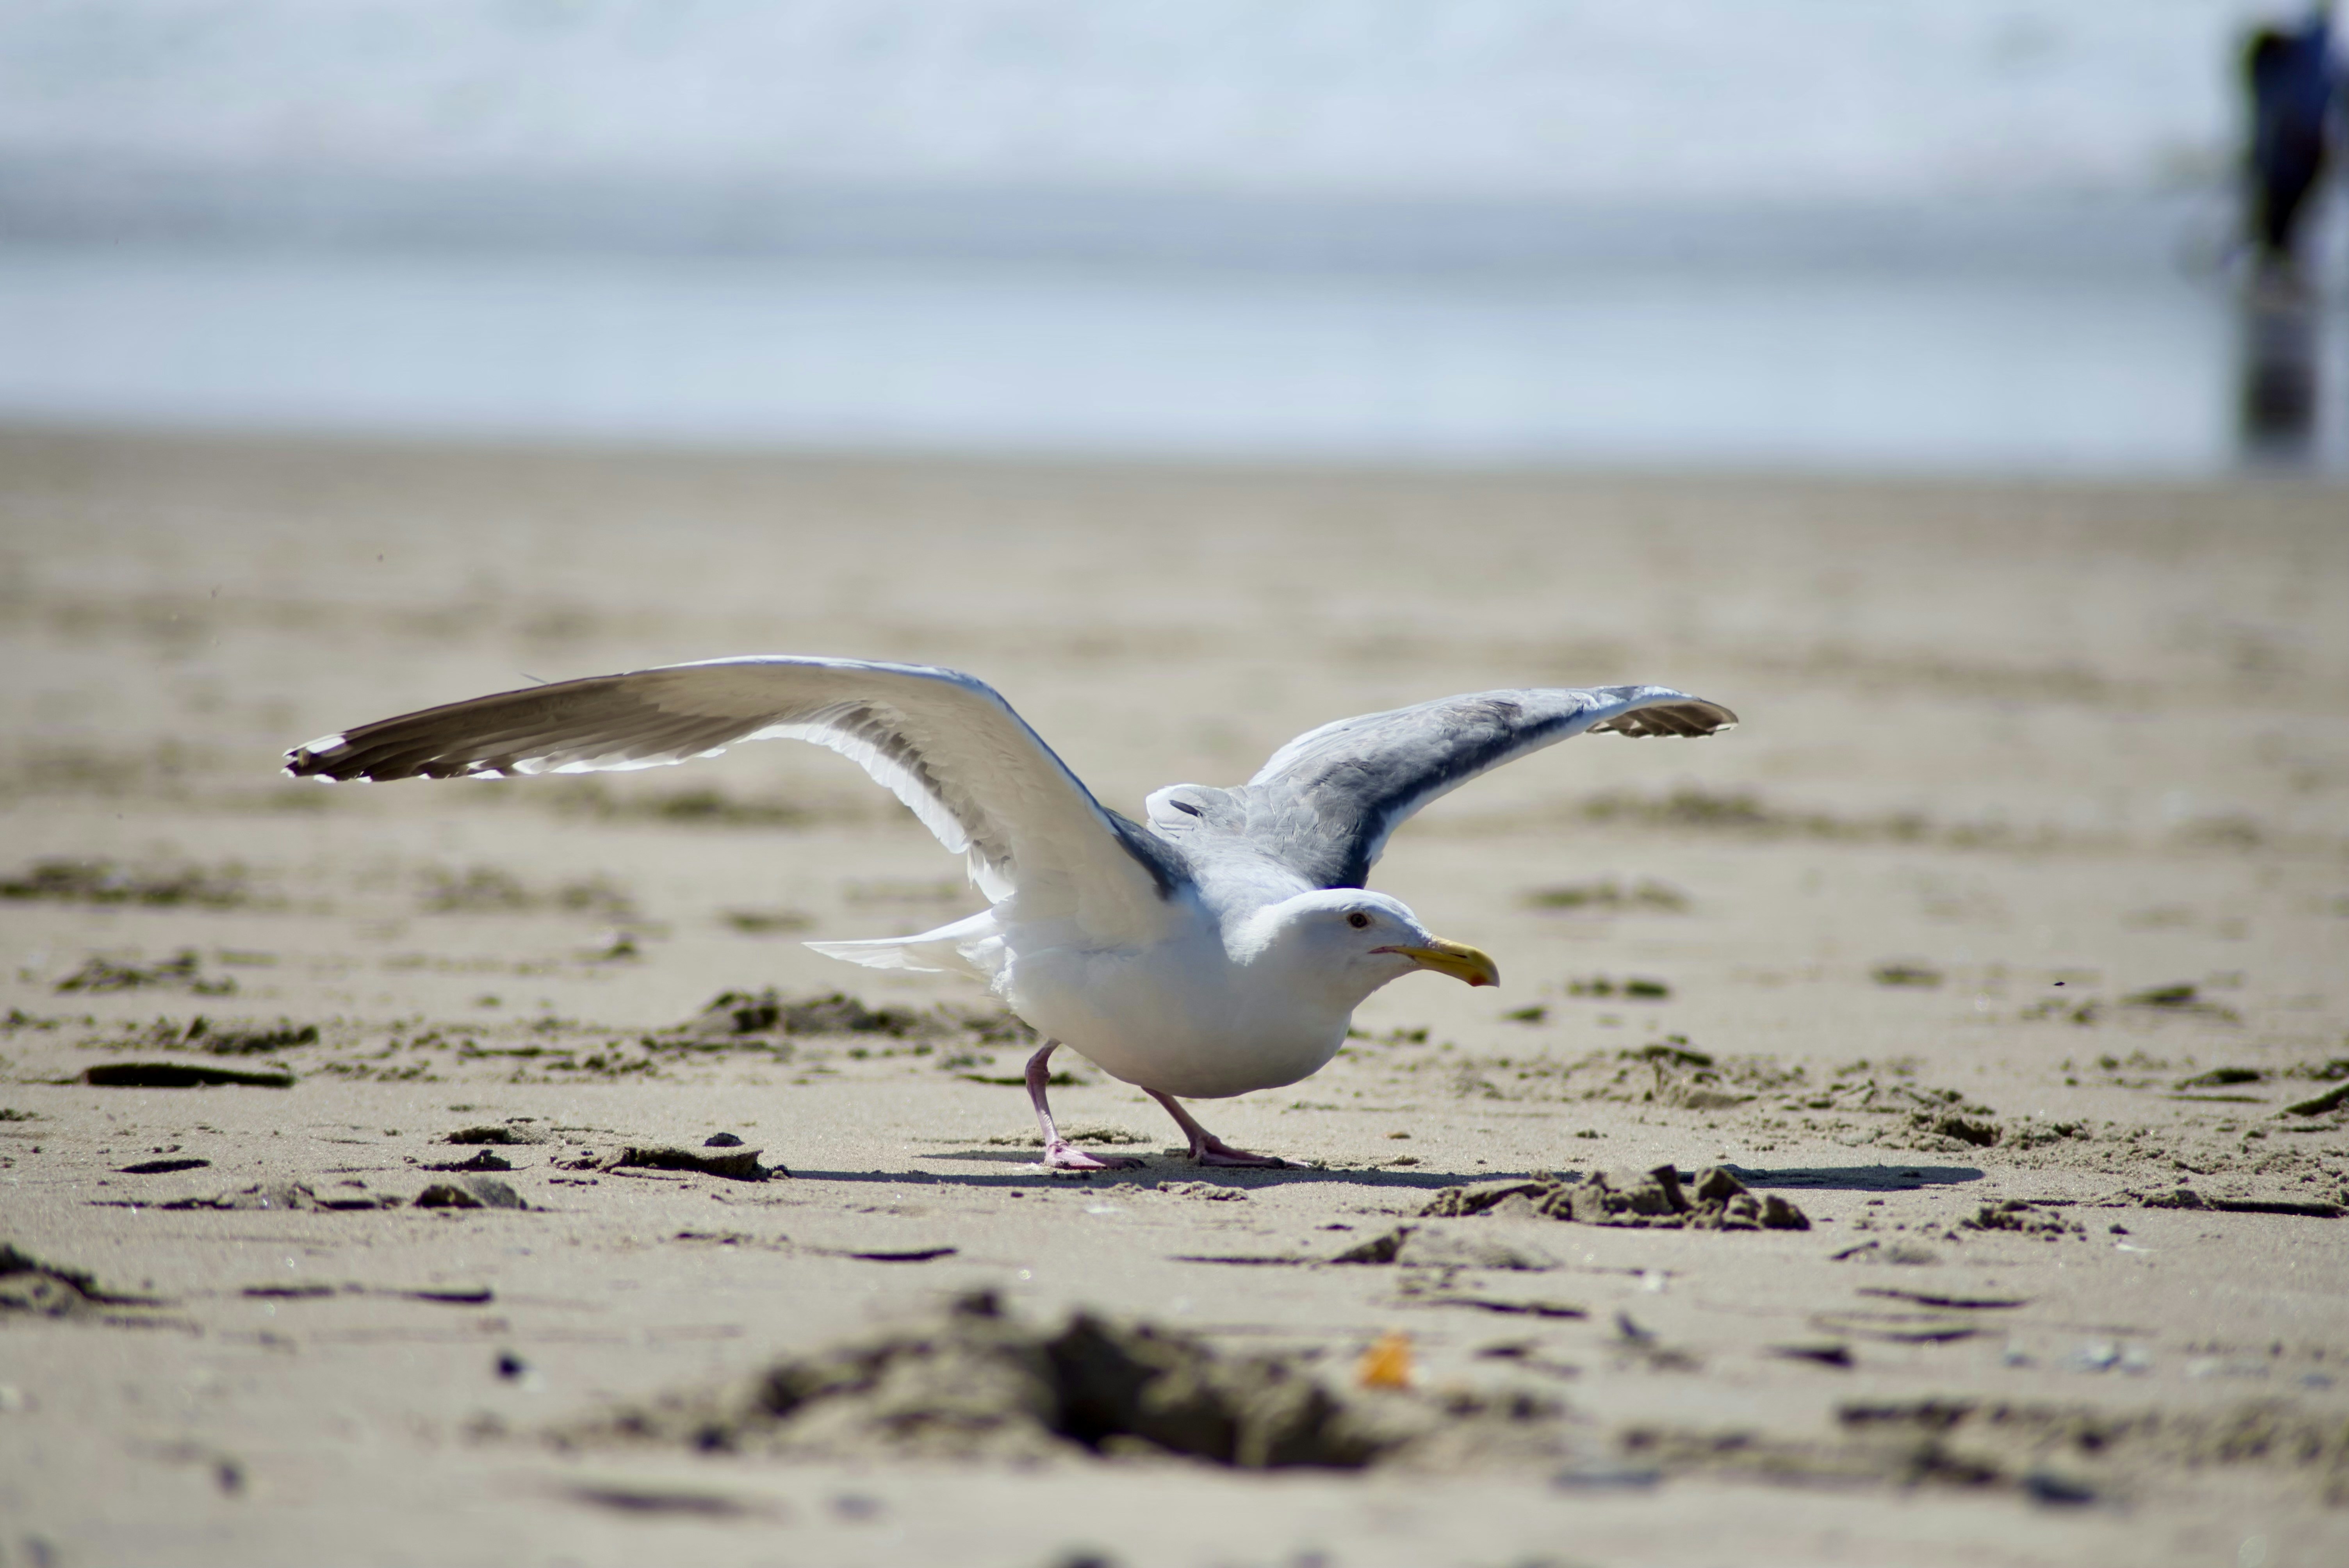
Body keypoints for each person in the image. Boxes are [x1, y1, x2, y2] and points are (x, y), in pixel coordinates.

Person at [2244, 6, 2337, 275]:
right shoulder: (2303, 59)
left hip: (2298, 148)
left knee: (2284, 213)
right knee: (2282, 214)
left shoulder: (2296, 61)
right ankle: (2278, 266)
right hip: (2297, 148)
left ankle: (2279, 266)